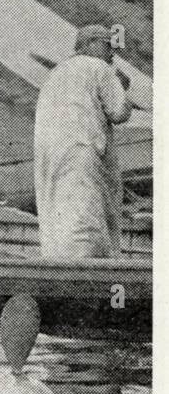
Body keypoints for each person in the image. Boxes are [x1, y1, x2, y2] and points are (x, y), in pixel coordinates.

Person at [34, 24, 132, 259]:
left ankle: (56, 264)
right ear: (92, 45)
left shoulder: (56, 72)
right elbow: (118, 112)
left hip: (48, 154)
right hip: (81, 147)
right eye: (108, 46)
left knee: (56, 208)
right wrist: (122, 89)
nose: (112, 54)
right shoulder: (99, 67)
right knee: (85, 210)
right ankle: (87, 269)